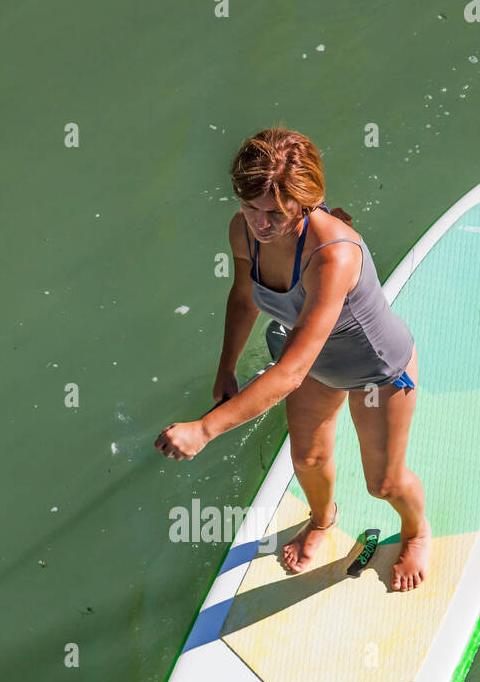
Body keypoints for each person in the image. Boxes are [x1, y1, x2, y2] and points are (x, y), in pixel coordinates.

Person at [154, 126, 430, 591]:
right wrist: (225, 367)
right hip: (315, 362)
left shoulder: (333, 256)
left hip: (374, 372)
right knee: (307, 459)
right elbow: (244, 297)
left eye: (275, 213)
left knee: (383, 483)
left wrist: (205, 429)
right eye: (250, 208)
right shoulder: (243, 229)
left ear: (305, 201)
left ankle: (417, 531)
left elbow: (291, 371)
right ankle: (322, 520)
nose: (260, 225)